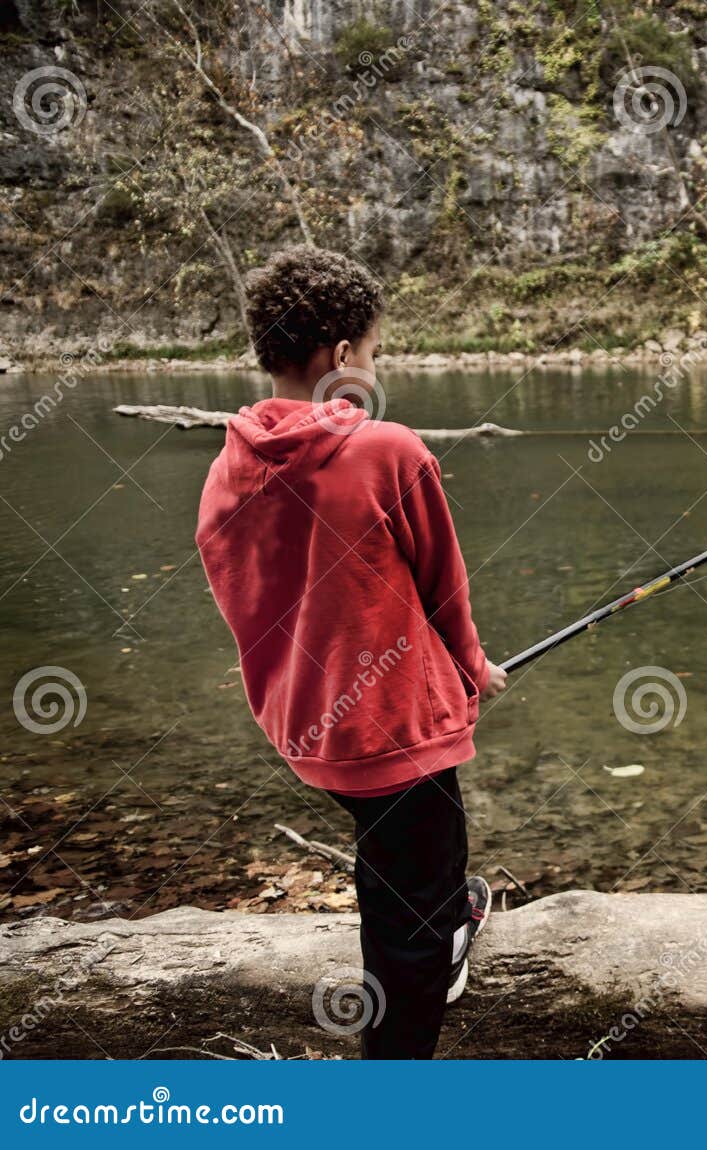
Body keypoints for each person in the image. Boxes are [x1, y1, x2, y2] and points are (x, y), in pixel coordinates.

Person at [195, 244, 508, 1058]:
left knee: (400, 857)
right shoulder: (386, 451)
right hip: (398, 736)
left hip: (311, 730)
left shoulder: (228, 468)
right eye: (372, 352)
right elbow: (445, 590)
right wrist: (472, 672)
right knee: (408, 936)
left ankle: (444, 914)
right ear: (341, 356)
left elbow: (243, 593)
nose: (373, 369)